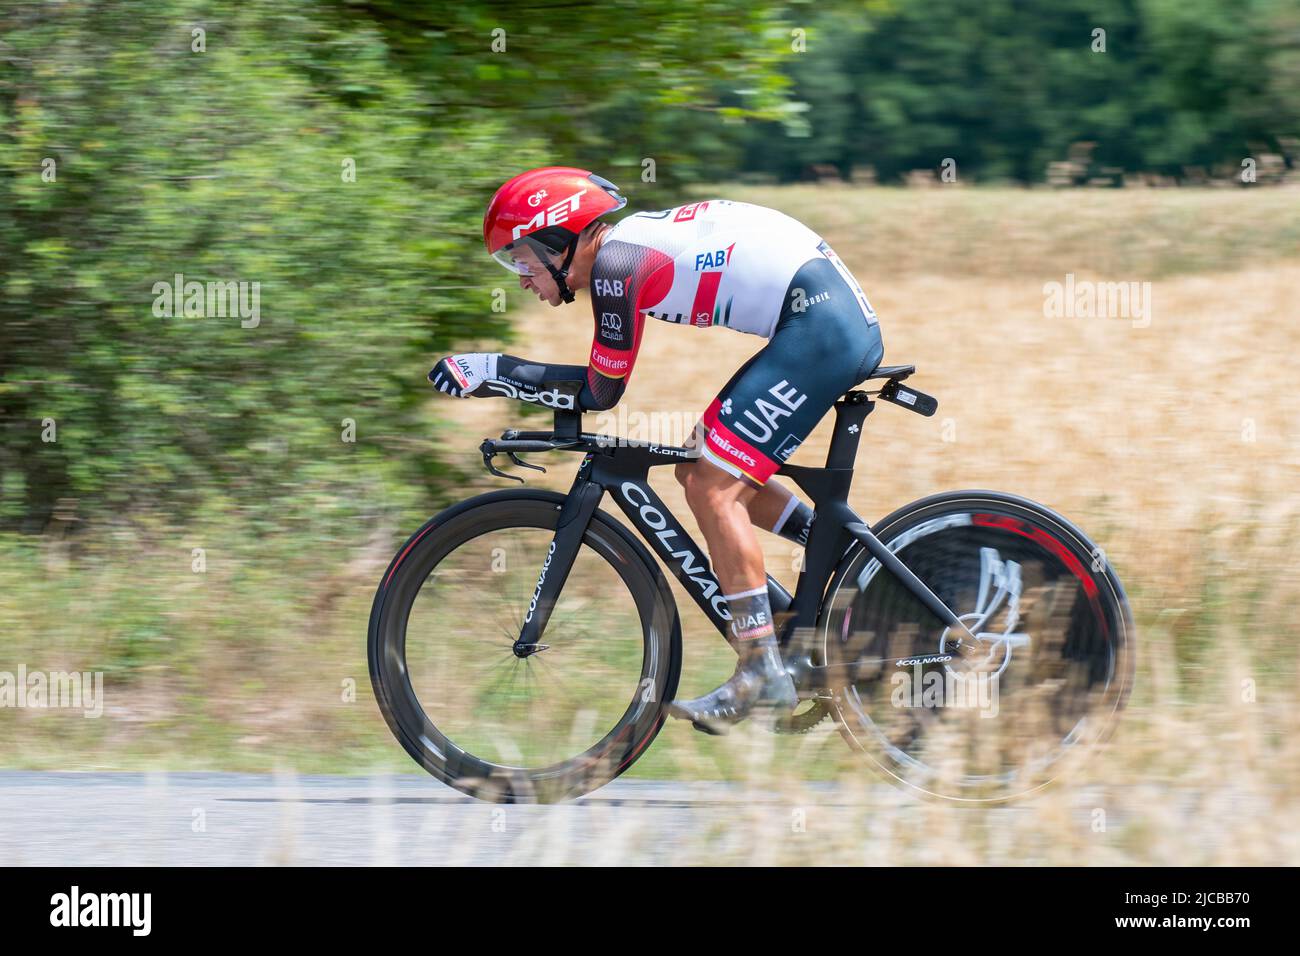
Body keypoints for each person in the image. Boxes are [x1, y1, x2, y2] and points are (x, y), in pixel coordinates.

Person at [430, 166, 884, 734]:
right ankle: (832, 553)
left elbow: (600, 391)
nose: (521, 278)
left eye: (521, 259)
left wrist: (493, 371)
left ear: (557, 241)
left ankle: (762, 669)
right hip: (818, 319)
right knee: (697, 472)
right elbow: (602, 387)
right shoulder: (621, 255)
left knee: (716, 491)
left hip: (822, 325)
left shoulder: (619, 266)